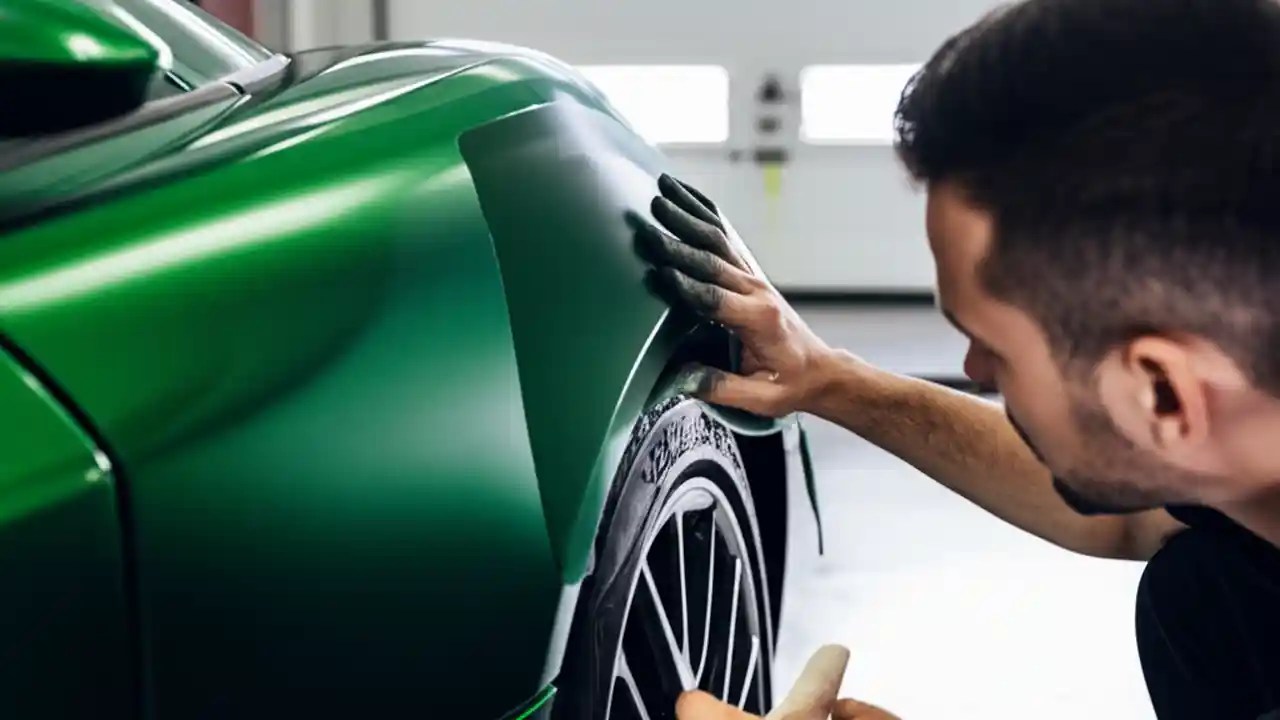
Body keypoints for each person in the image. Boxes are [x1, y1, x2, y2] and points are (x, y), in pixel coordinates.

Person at [634, 0, 1280, 718]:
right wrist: (829, 380)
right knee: (1201, 583)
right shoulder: (1245, 509)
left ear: (1160, 392)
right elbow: (1137, 517)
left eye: (995, 348)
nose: (973, 369)